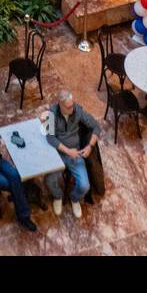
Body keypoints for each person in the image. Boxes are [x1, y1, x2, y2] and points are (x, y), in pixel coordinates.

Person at [44, 91, 100, 219]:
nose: (72, 108)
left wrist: (90, 146)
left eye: (72, 105)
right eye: (69, 107)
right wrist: (68, 151)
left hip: (75, 153)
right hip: (58, 153)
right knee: (49, 180)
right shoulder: (51, 114)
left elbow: (96, 127)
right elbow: (50, 138)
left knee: (85, 186)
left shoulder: (77, 111)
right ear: (60, 105)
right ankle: (58, 196)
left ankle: (74, 198)